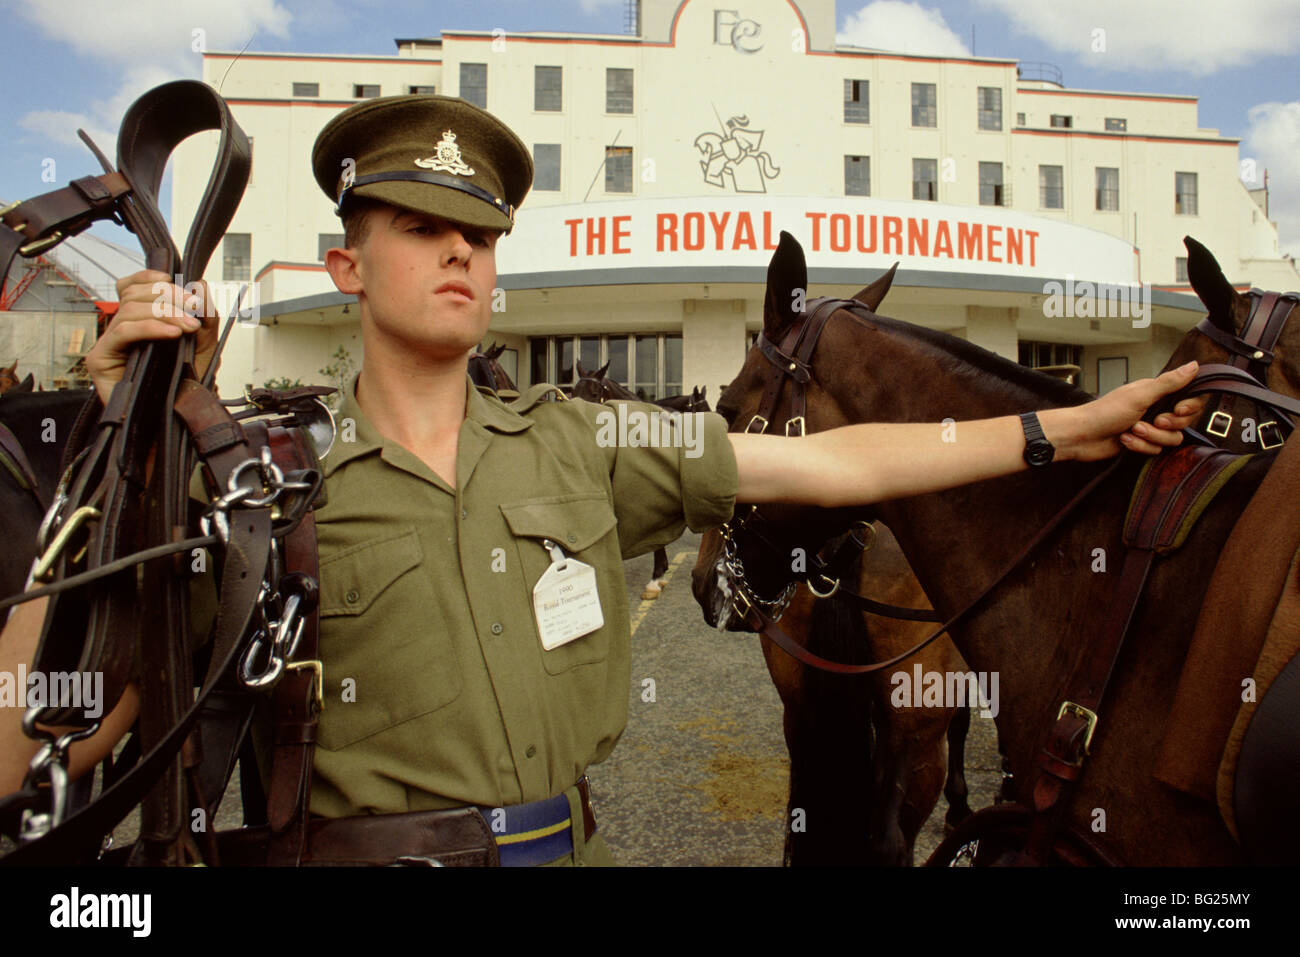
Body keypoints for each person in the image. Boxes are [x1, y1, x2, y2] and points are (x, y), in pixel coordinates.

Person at [0, 94, 1206, 866]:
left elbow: (838, 458)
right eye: (419, 225)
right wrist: (119, 432)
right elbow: (36, 744)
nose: (460, 247)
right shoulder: (258, 485)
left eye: (477, 228)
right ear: (345, 266)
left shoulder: (593, 443)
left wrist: (1069, 427)